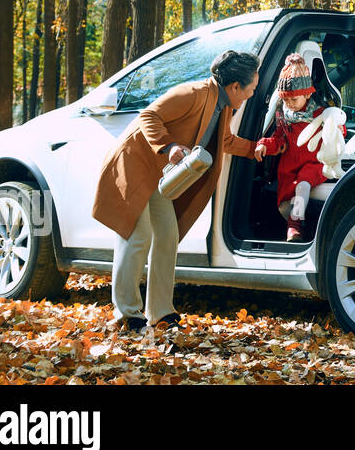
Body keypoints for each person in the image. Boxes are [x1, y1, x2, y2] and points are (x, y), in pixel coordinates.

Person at [92, 50, 264, 334]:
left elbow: (225, 141)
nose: (251, 94)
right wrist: (169, 146)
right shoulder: (193, 93)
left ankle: (159, 312)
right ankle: (126, 314)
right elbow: (149, 115)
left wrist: (253, 149)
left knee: (168, 234)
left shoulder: (222, 106)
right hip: (136, 163)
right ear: (235, 87)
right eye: (251, 89)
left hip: (157, 173)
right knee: (138, 236)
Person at [254, 53, 347, 241]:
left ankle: (294, 227)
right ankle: (302, 228)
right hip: (290, 166)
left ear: (307, 93)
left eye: (294, 100)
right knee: (283, 206)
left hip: (315, 161)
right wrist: (264, 145)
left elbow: (337, 131)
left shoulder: (320, 112)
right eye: (286, 100)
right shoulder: (284, 115)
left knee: (303, 186)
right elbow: (279, 140)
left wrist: (337, 127)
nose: (289, 104)